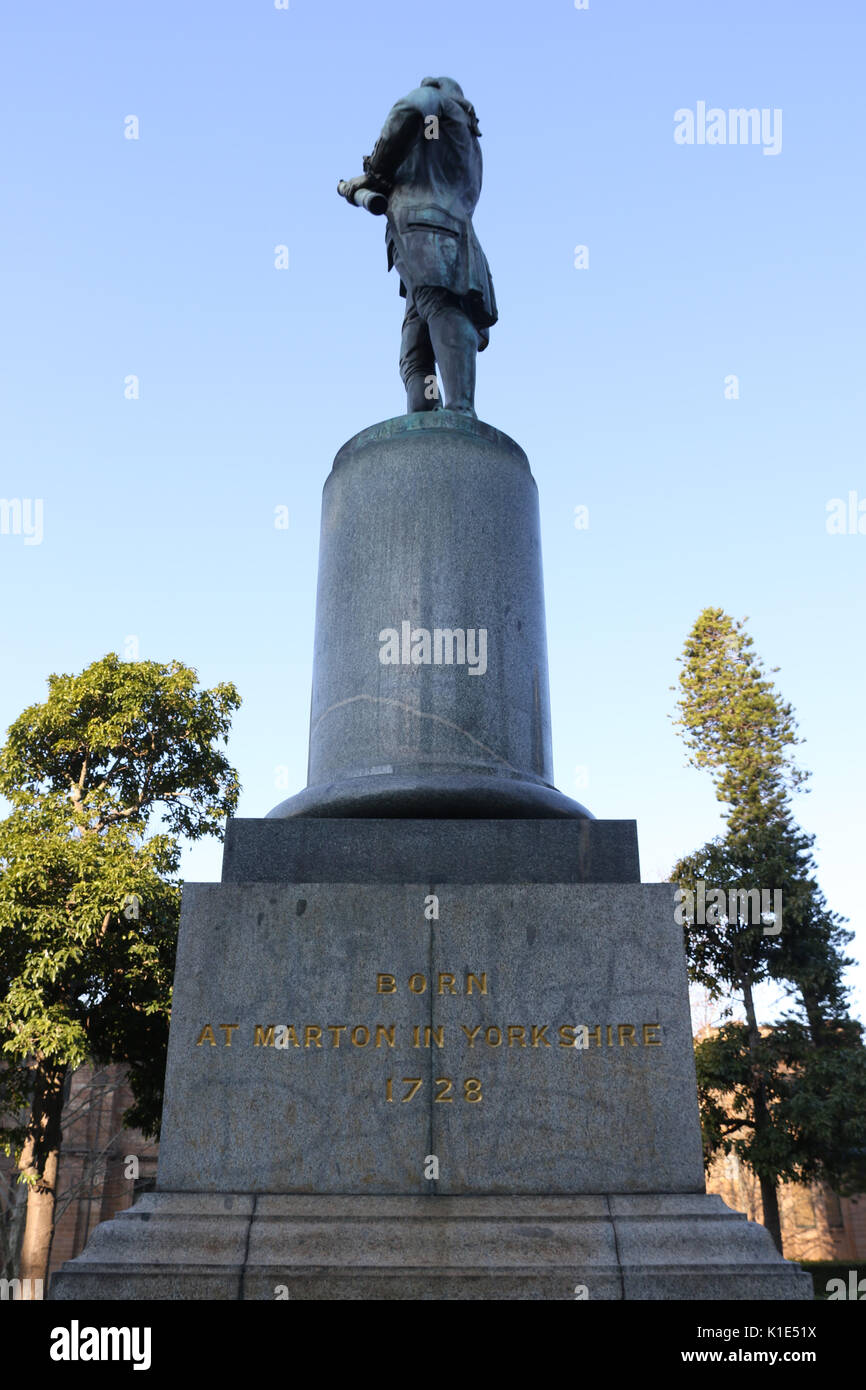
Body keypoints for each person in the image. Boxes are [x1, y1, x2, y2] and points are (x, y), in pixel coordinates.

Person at [341, 76, 498, 417]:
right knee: (415, 347)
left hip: (427, 231)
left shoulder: (437, 102)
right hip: (435, 235)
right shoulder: (466, 142)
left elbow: (411, 108)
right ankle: (426, 416)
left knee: (441, 306)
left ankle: (460, 410)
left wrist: (374, 173)